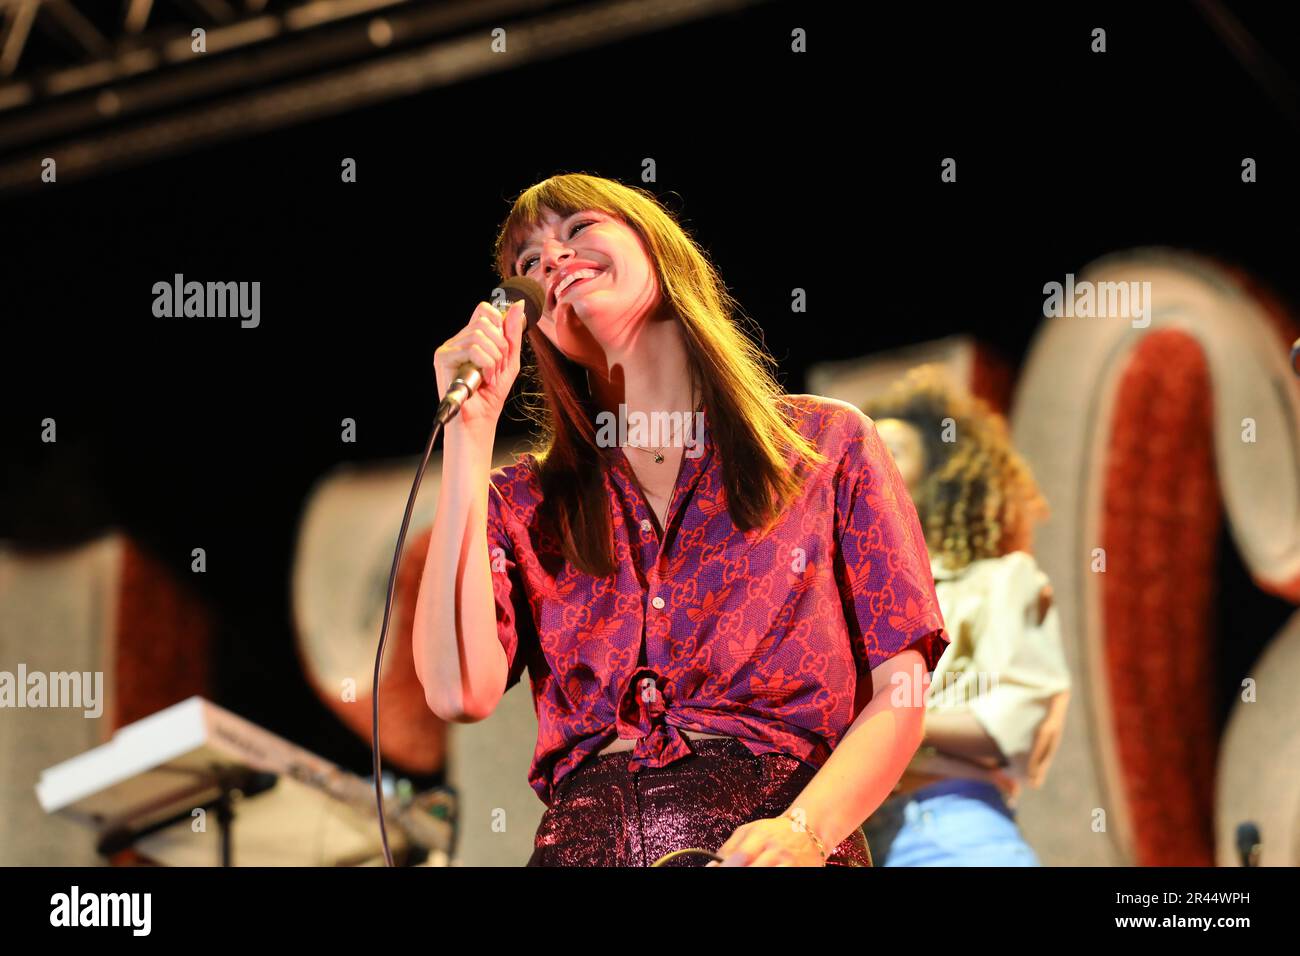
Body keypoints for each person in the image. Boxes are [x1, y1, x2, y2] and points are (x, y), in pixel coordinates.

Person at [412, 173, 950, 866]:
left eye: (577, 230)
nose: (551, 260)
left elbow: (901, 688)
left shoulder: (825, 445)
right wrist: (468, 435)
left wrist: (807, 830)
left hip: (773, 837)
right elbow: (458, 691)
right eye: (527, 263)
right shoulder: (523, 501)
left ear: (659, 248)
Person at [862, 365, 1072, 866]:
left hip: (950, 828)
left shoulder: (998, 581)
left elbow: (1015, 721)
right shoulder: (842, 602)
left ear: (939, 476)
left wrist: (881, 727)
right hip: (851, 840)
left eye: (892, 453)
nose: (870, 465)